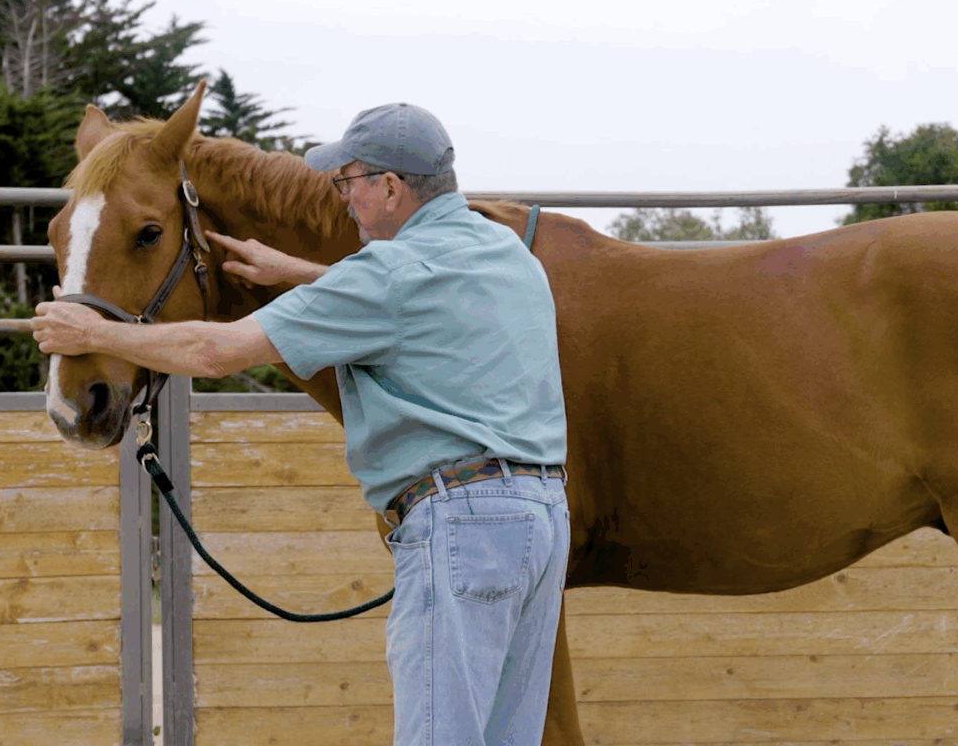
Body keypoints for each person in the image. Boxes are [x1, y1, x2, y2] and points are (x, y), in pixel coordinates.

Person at [32, 102, 570, 745]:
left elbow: (214, 351)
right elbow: (424, 294)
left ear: (390, 187)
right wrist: (300, 274)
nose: (341, 196)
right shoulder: (501, 251)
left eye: (348, 181)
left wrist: (94, 333)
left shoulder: (387, 273)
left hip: (461, 524)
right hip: (541, 522)